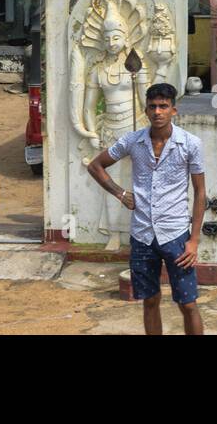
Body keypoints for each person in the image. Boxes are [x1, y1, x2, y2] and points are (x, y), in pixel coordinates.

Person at [86, 83, 206, 335]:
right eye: (152, 106)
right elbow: (96, 165)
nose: (158, 112)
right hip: (142, 235)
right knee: (150, 301)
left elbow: (200, 193)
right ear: (146, 110)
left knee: (188, 303)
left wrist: (193, 240)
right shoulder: (133, 141)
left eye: (163, 106)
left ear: (174, 110)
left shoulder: (190, 144)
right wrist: (120, 193)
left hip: (176, 235)